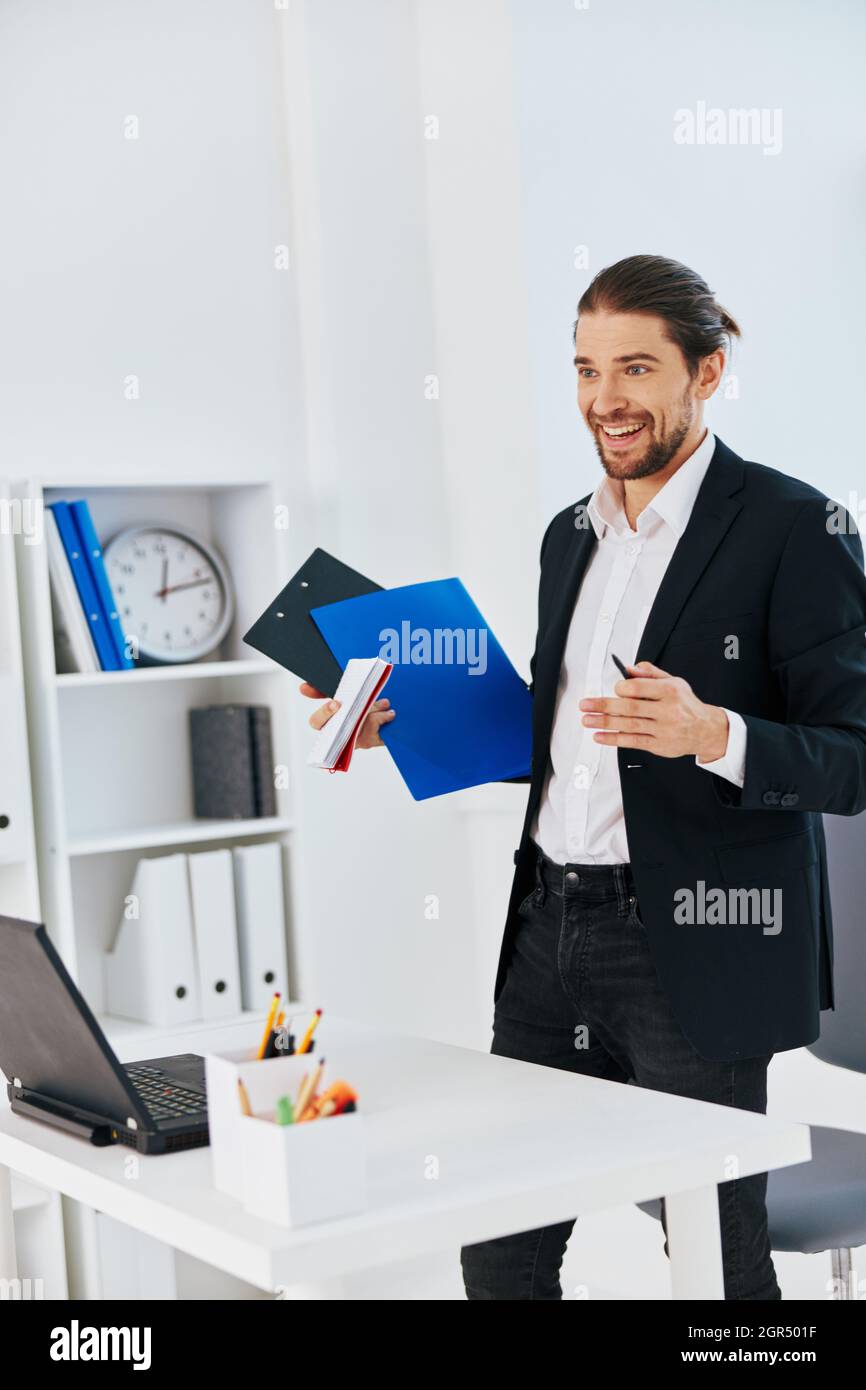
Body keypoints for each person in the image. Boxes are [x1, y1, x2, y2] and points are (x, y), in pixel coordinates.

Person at [301, 254, 866, 1300]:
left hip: (693, 941)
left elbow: (852, 756)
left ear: (706, 371)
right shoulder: (569, 534)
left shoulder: (792, 528)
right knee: (502, 1251)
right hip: (546, 936)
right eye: (583, 368)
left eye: (635, 367)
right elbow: (556, 739)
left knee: (717, 1256)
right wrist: (404, 719)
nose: (603, 399)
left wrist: (714, 734)